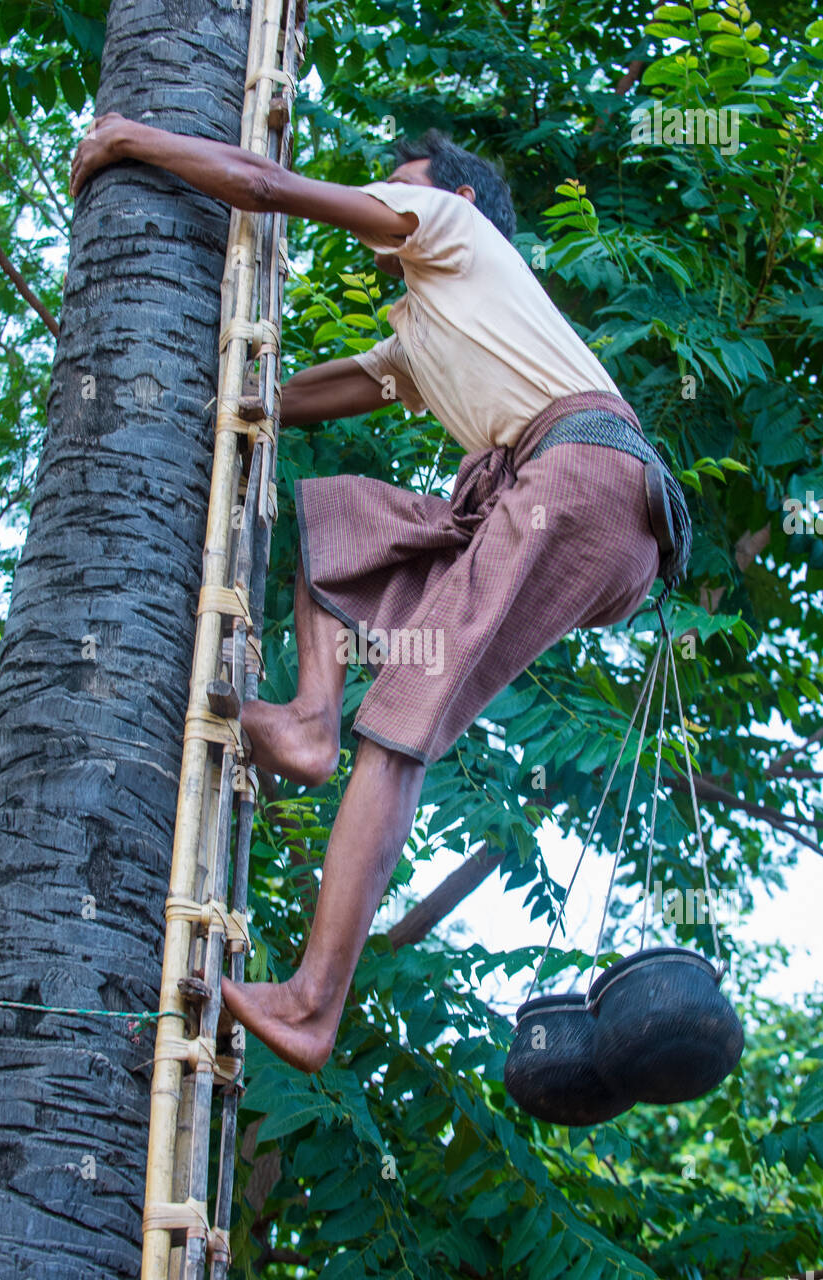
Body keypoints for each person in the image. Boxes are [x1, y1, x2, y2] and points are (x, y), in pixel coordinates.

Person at [71, 117, 682, 1073]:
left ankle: (313, 1005)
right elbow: (293, 394)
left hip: (578, 479)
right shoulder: (422, 332)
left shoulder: (448, 228)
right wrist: (198, 380)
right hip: (569, 501)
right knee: (350, 520)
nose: (384, 195)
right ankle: (310, 720)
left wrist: (128, 141)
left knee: (401, 725)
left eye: (398, 181)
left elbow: (258, 183)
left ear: (456, 197)